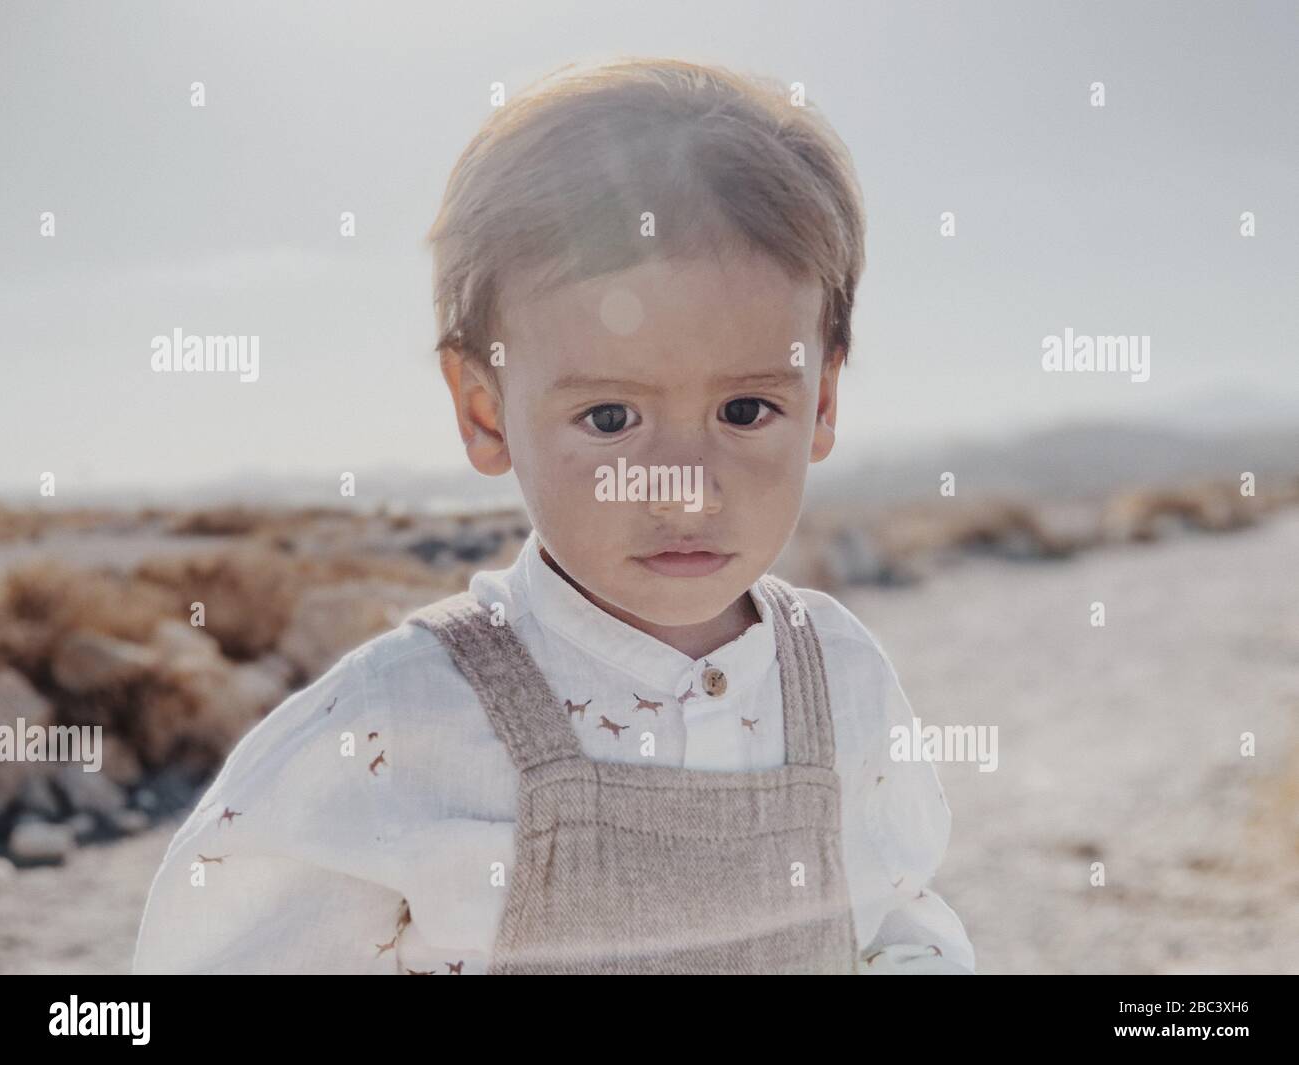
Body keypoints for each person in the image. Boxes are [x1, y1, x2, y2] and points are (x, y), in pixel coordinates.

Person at [133, 56, 975, 975]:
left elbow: (899, 920)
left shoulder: (843, 679)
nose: (684, 487)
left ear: (822, 402)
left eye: (745, 411)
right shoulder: (398, 720)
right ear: (485, 411)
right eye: (610, 419)